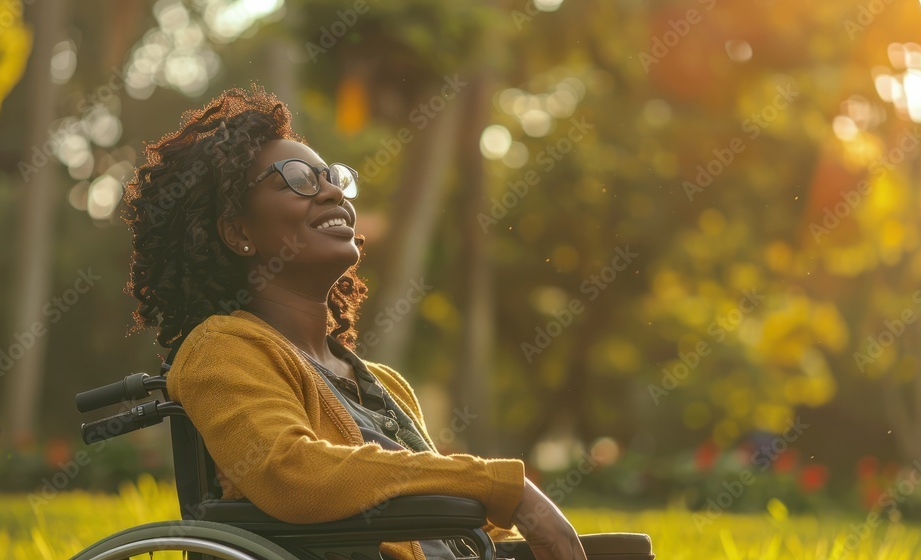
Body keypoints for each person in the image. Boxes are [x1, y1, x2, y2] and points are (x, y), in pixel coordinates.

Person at [121, 84, 588, 560]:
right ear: (239, 231)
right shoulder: (223, 350)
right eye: (298, 179)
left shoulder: (384, 385)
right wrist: (506, 489)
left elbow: (444, 529)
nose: (330, 192)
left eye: (333, 179)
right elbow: (292, 472)